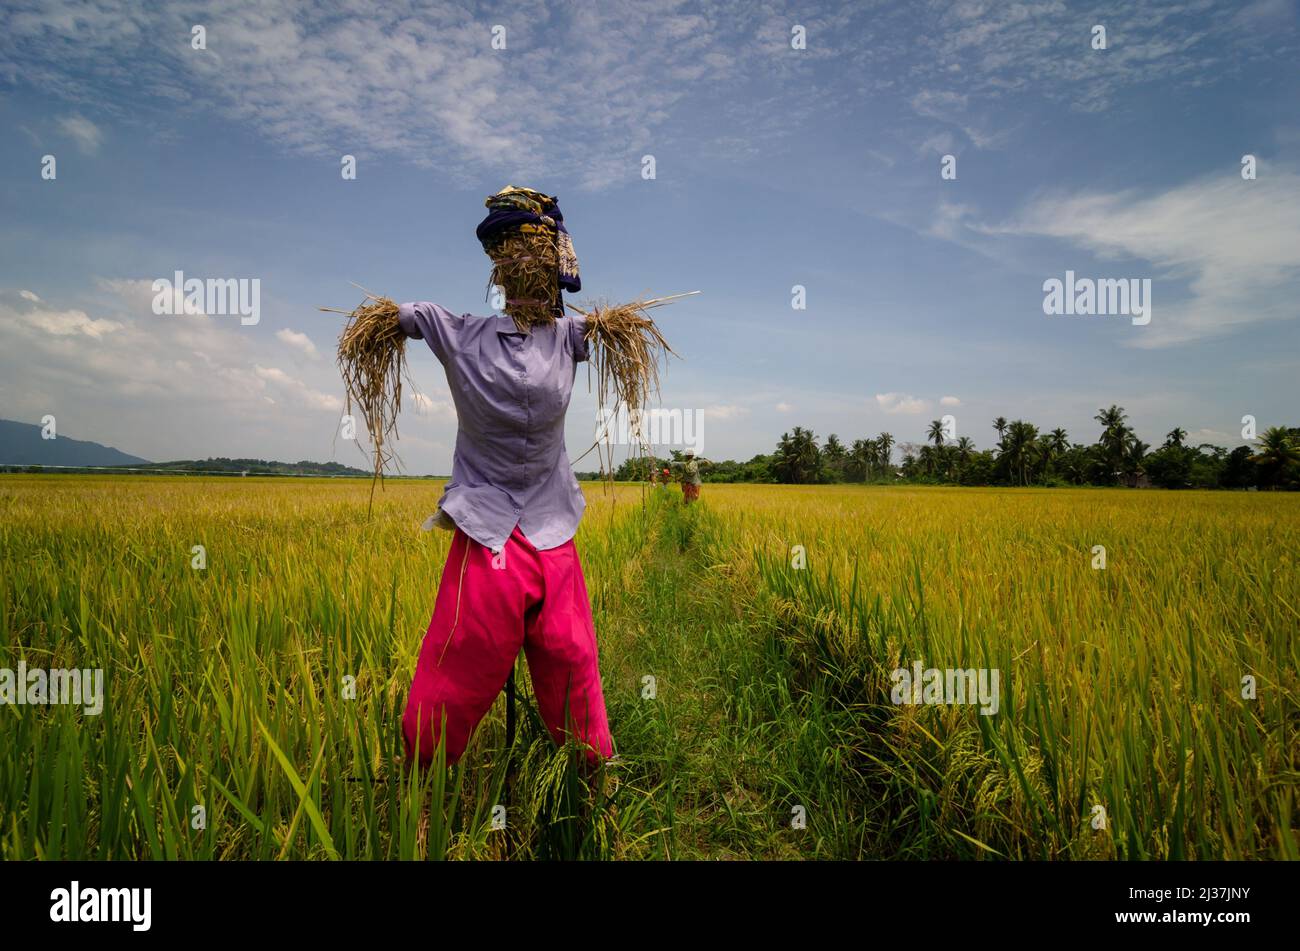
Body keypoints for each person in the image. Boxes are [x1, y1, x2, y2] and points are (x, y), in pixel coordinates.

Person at [398, 186, 613, 769]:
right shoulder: (460, 331)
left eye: (538, 265)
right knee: (463, 658)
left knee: (570, 656)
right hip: (486, 528)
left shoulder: (567, 338)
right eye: (514, 262)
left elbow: (605, 330)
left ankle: (587, 777)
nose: (528, 279)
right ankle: (427, 783)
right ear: (500, 268)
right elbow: (403, 316)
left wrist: (621, 326)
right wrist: (381, 324)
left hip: (552, 525)